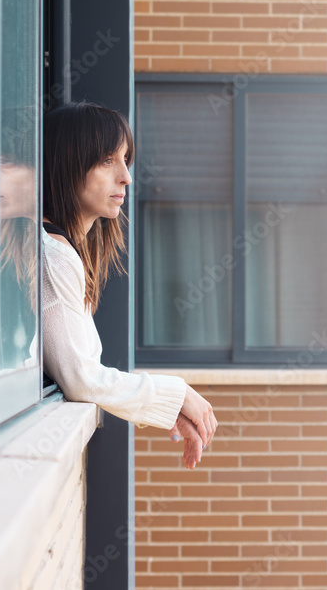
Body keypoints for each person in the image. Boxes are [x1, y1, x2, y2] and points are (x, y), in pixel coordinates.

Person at [41, 101, 216, 469]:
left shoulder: (65, 252)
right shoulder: (51, 255)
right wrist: (177, 393)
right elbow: (81, 378)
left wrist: (168, 408)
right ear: (66, 163)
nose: (126, 177)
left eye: (126, 159)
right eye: (107, 160)